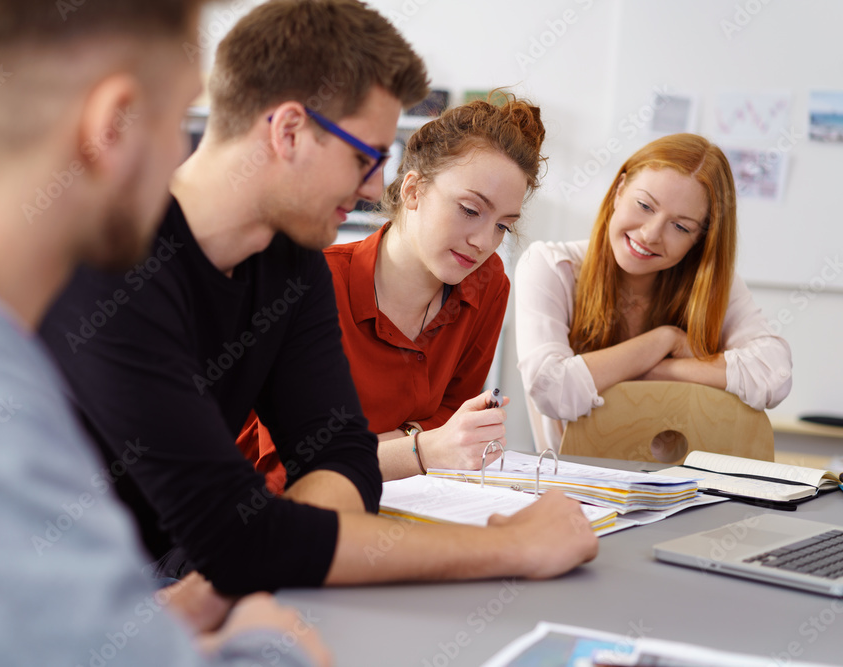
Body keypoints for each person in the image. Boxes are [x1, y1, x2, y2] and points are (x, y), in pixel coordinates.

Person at [40, 0, 598, 595]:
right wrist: (514, 545)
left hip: (183, 584)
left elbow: (342, 460)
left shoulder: (290, 264)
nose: (372, 188)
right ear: (287, 132)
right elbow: (239, 528)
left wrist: (261, 552)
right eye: (363, 157)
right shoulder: (114, 260)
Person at [0, 1, 330, 665]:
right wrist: (274, 645)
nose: (181, 159)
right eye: (180, 120)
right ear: (113, 126)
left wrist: (135, 621)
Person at [239, 94, 546, 491]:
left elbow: (456, 422)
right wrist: (421, 448)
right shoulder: (310, 285)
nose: (484, 241)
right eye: (470, 210)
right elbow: (290, 467)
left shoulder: (487, 284)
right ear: (413, 190)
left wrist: (380, 448)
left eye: (503, 225)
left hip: (403, 506)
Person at [515, 133, 793, 452]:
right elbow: (552, 389)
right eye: (645, 205)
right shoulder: (551, 267)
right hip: (575, 491)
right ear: (620, 191)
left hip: (683, 494)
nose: (650, 235)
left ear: (700, 239)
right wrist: (665, 340)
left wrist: (655, 369)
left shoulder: (715, 286)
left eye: (681, 227)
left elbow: (775, 373)